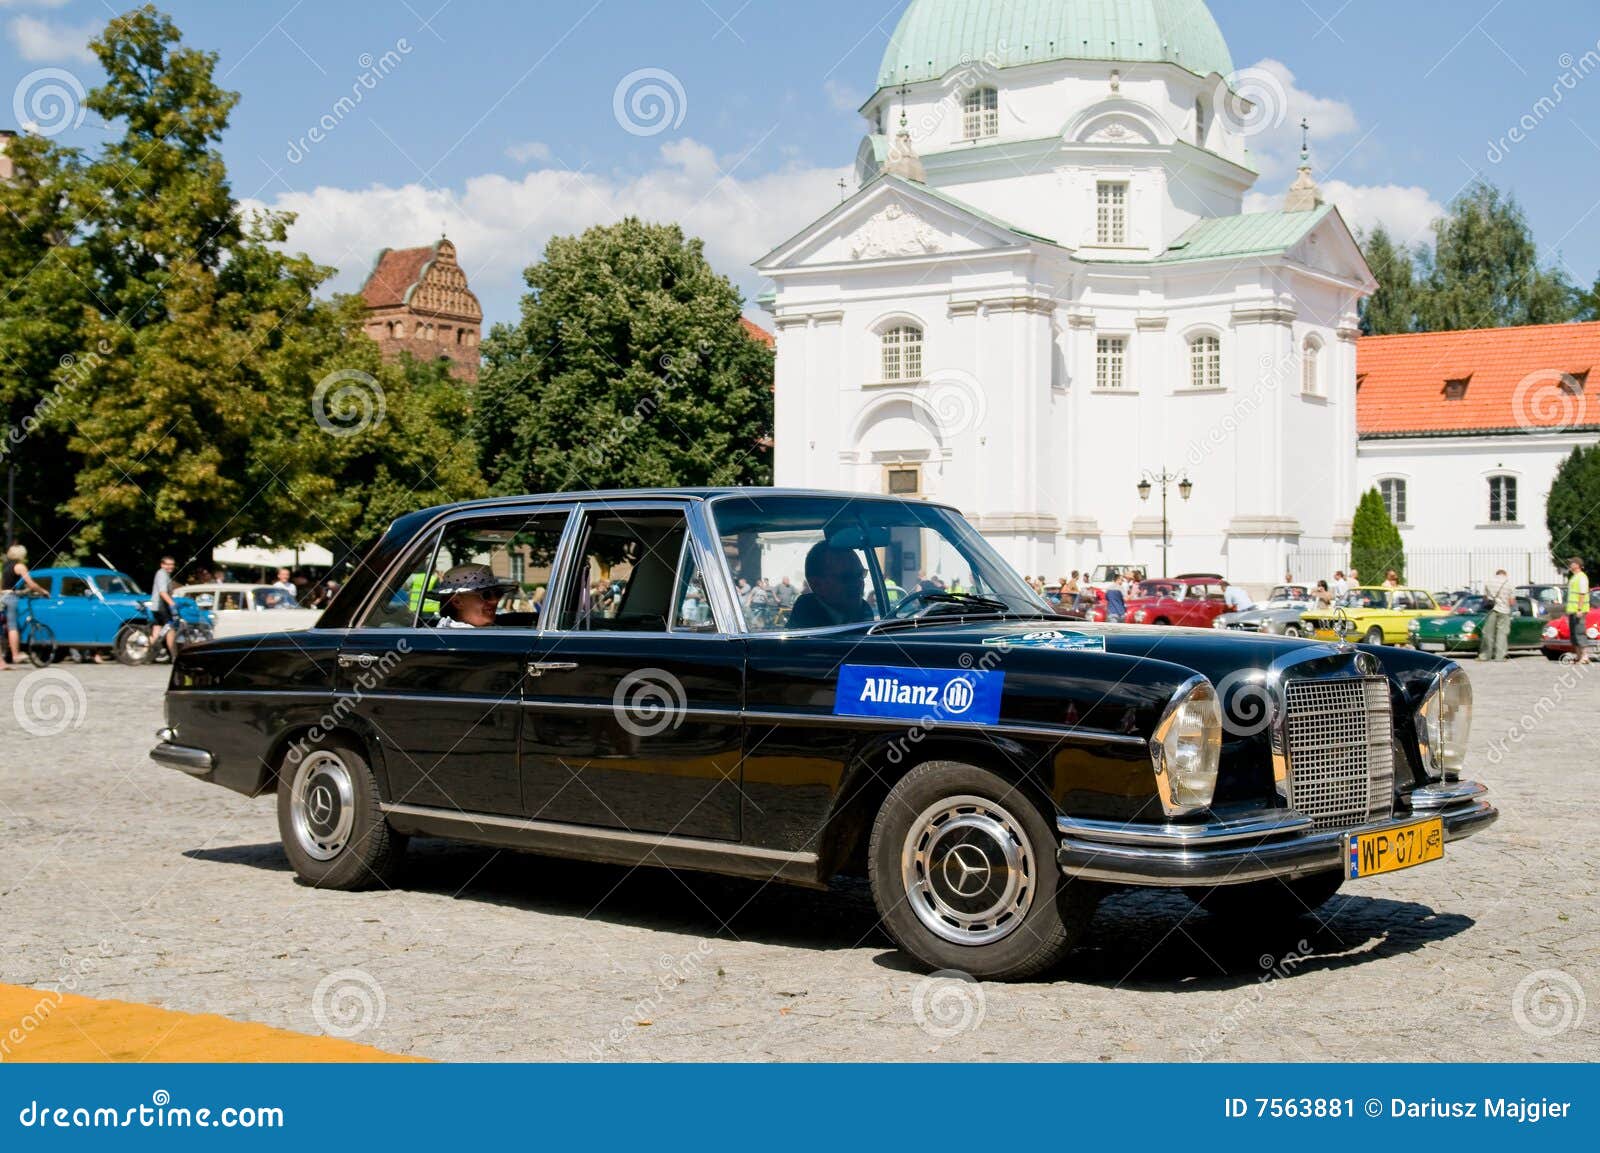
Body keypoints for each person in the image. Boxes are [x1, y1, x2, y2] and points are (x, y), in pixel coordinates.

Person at [787, 542, 875, 629]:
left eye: (860, 574)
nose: (858, 583)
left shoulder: (864, 611)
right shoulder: (804, 630)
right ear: (816, 584)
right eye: (847, 577)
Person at [3, 544, 50, 669]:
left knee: (3, 629)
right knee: (12, 626)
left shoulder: (6, 566)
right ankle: (15, 654)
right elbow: (32, 584)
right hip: (10, 598)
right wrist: (43, 591)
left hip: (2, 597)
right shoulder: (19, 566)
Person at [433, 564, 516, 628]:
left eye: (498, 593)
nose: (495, 600)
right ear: (457, 602)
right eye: (486, 595)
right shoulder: (453, 638)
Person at [149, 555, 179, 661]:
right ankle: (174, 656)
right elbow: (162, 592)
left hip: (157, 606)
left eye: (172, 564)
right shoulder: (162, 574)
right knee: (171, 630)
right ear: (162, 564)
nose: (170, 566)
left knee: (157, 630)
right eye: (168, 564)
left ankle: (146, 653)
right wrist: (172, 604)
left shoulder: (164, 575)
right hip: (161, 607)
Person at [1481, 568, 1514, 662]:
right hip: (1504, 611)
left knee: (1488, 633)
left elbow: (1485, 599)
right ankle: (1500, 656)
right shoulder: (1509, 584)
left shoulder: (1489, 582)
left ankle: (1485, 656)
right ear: (1505, 574)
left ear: (1496, 574)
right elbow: (1511, 602)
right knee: (1502, 633)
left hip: (1491, 610)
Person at [1566, 557, 1591, 665]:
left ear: (1577, 565)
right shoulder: (1574, 577)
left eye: (1572, 563)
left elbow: (1582, 594)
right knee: (1574, 633)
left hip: (1579, 610)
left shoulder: (1581, 577)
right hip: (1572, 610)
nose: (1570, 564)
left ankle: (1585, 656)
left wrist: (1580, 609)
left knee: (1579, 632)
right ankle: (1578, 655)